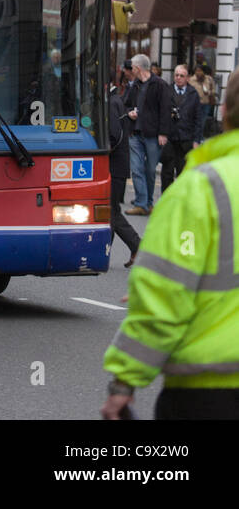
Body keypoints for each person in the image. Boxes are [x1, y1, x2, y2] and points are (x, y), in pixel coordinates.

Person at [100, 72, 239, 420]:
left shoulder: (202, 188)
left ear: (224, 112)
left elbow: (164, 297)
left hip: (211, 394)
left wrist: (123, 384)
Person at [125, 54, 171, 216]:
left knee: (150, 170)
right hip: (135, 134)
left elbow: (166, 110)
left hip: (153, 134)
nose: (131, 71)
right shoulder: (134, 85)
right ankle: (141, 203)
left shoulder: (160, 85)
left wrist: (163, 133)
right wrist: (129, 113)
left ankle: (148, 203)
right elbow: (126, 104)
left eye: (132, 68)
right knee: (136, 169)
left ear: (138, 68)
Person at [107, 83, 141, 267]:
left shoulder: (112, 103)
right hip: (118, 166)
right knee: (111, 211)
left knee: (111, 212)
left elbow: (114, 135)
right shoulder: (116, 100)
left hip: (115, 166)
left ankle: (136, 244)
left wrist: (103, 152)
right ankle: (104, 252)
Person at [160, 64, 204, 191]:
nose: (178, 78)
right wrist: (161, 133)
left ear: (187, 78)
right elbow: (161, 113)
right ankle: (166, 201)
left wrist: (196, 140)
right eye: (176, 75)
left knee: (183, 173)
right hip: (169, 139)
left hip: (186, 140)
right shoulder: (167, 91)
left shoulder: (193, 94)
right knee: (167, 173)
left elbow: (198, 119)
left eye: (181, 76)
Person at [192, 61, 218, 137]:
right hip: (195, 104)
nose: (198, 73)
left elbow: (213, 90)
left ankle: (199, 136)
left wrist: (209, 92)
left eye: (200, 71)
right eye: (196, 71)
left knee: (202, 121)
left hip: (206, 103)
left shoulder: (209, 79)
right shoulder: (191, 80)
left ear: (203, 71)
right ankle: (197, 136)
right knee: (196, 121)